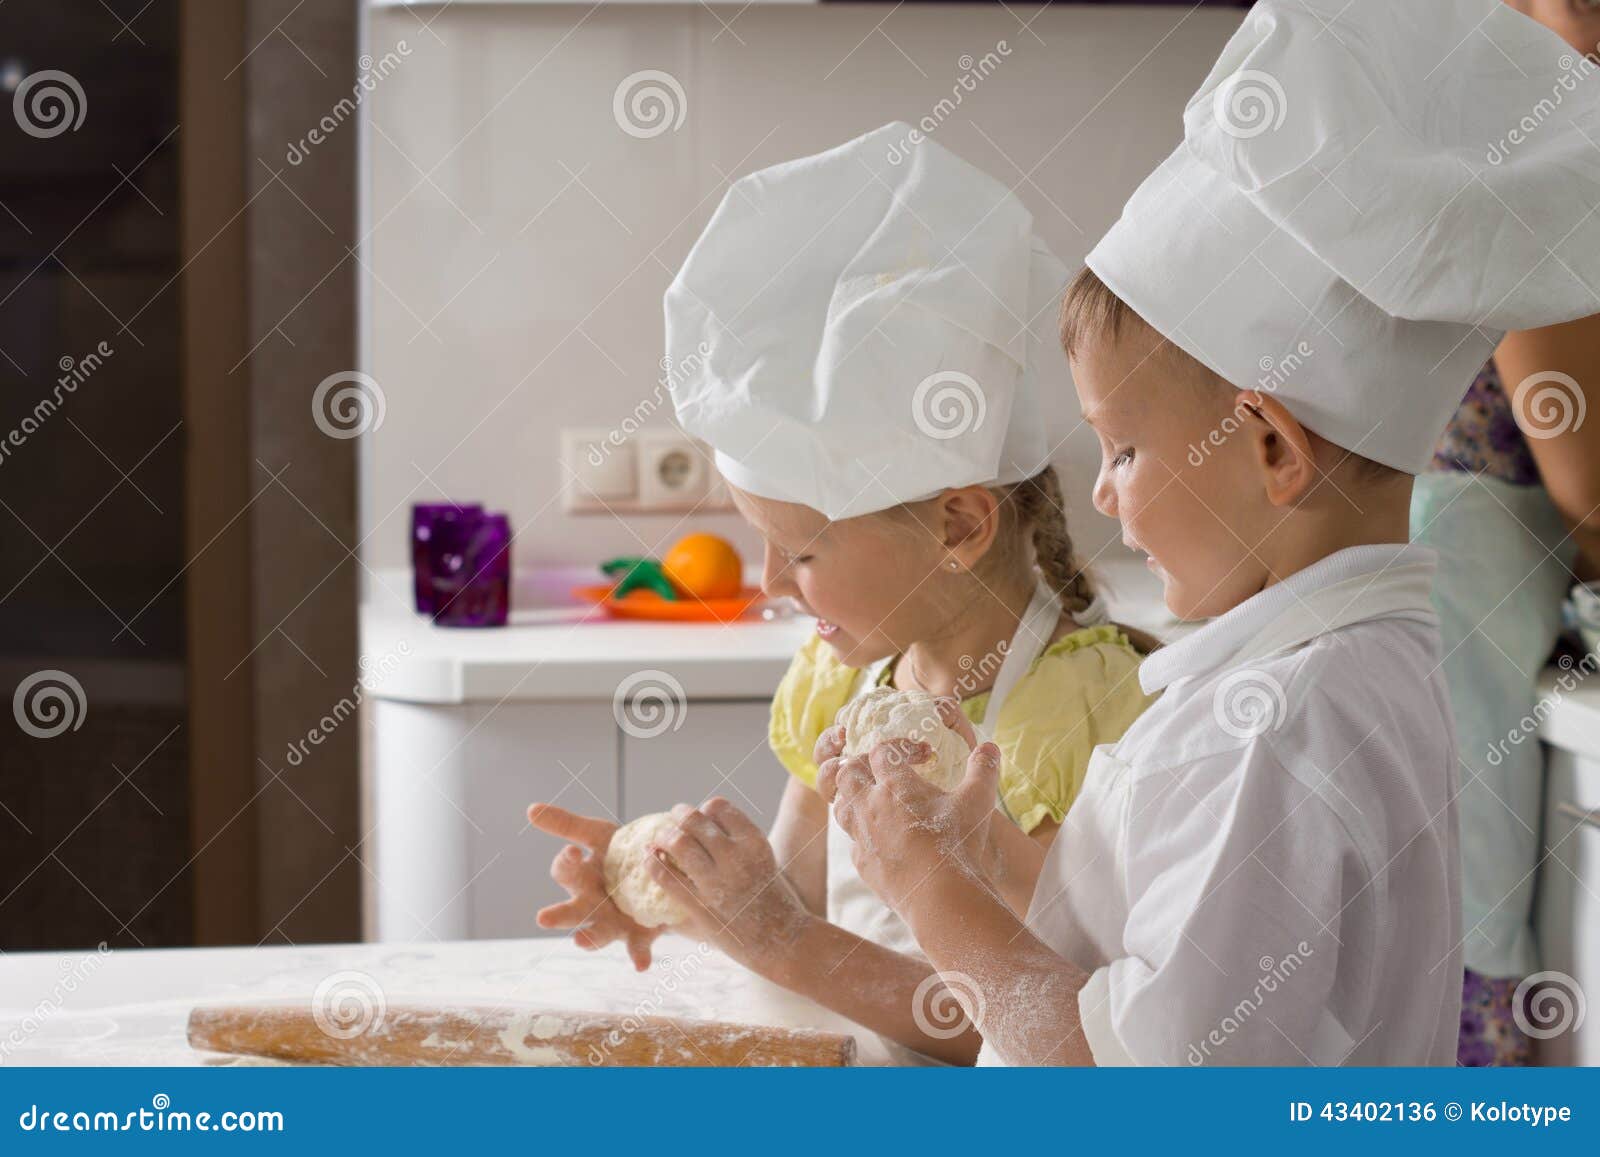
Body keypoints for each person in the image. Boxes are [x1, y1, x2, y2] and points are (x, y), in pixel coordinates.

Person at [817, 0, 1600, 1065]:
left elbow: (1147, 1093)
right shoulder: (1366, 663)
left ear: (1271, 446)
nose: (1102, 494)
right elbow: (1157, 932)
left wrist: (927, 889)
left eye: (1124, 450)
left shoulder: (1263, 724)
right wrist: (974, 853)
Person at [527, 124, 1155, 1065]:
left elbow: (1015, 1022)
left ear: (958, 526)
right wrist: (685, 890)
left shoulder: (1081, 712)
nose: (771, 582)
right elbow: (796, 908)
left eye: (802, 549)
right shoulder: (841, 675)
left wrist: (773, 933)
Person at [1418, 0, 1600, 1069]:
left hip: (1492, 571)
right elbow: (1585, 482)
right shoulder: (1543, 175)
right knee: (1476, 899)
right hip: (1471, 578)